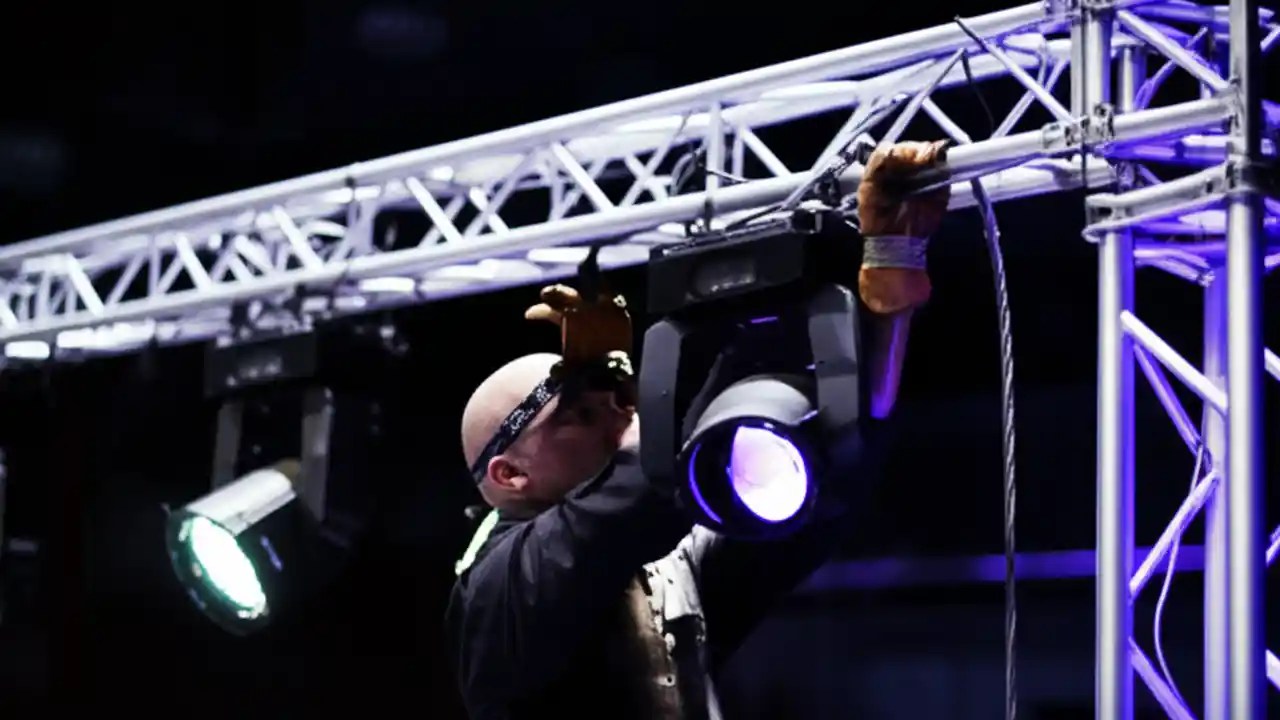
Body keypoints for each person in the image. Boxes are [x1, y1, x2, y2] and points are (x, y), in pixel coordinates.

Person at [444, 140, 952, 719]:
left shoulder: (661, 559)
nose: (623, 411)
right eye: (580, 411)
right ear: (509, 474)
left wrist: (891, 268)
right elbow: (636, 497)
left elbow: (834, 476)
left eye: (623, 395)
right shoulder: (497, 589)